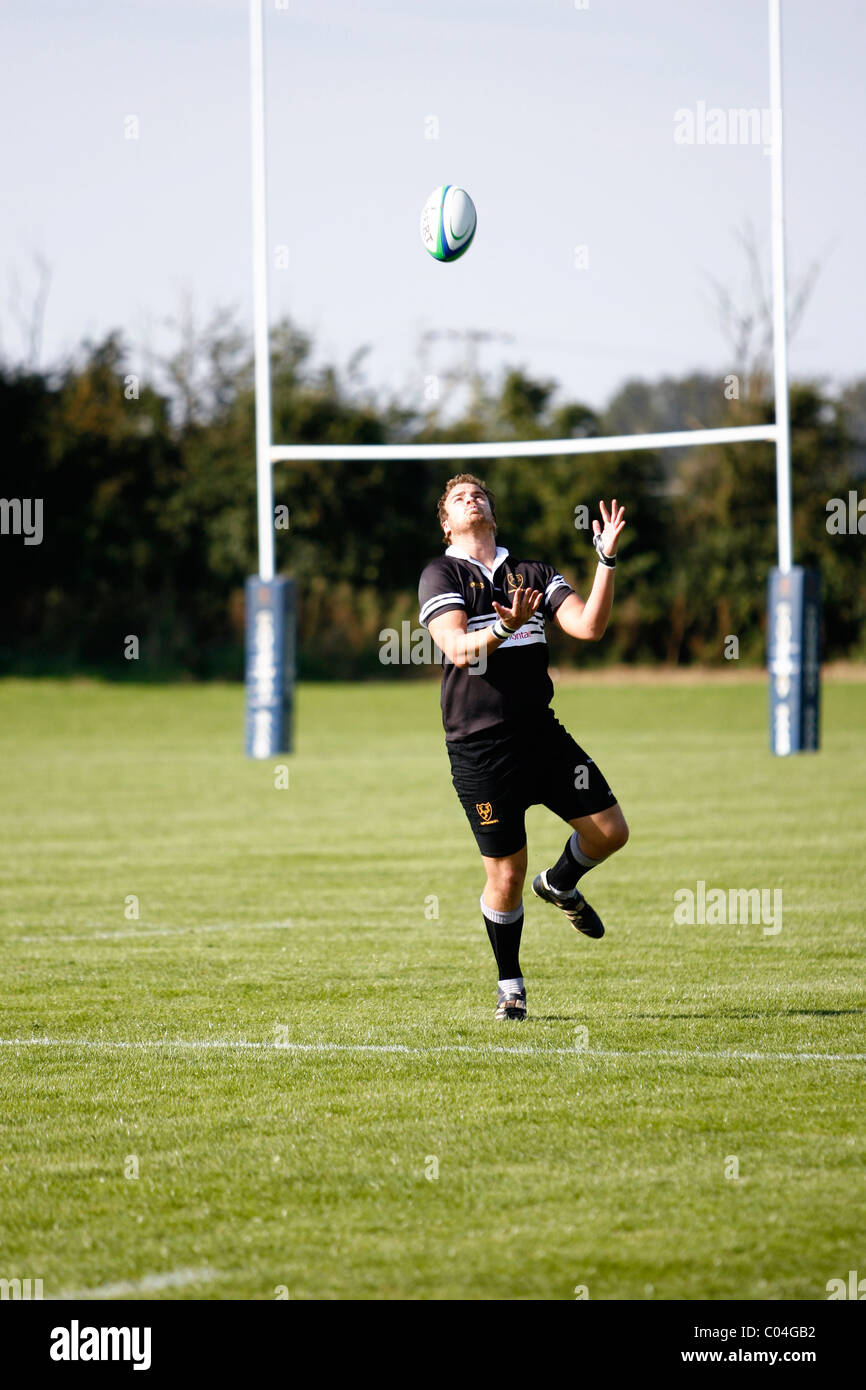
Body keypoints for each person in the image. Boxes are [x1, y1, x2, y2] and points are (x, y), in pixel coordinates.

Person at [418, 473, 629, 1021]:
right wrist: (505, 627)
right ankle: (510, 984)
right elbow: (461, 648)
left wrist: (605, 561)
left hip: (540, 733)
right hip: (479, 747)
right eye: (460, 499)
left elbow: (588, 627)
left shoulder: (532, 571)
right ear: (447, 522)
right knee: (506, 875)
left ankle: (560, 883)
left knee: (611, 832)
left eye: (479, 495)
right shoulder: (441, 572)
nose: (472, 500)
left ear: (492, 512)